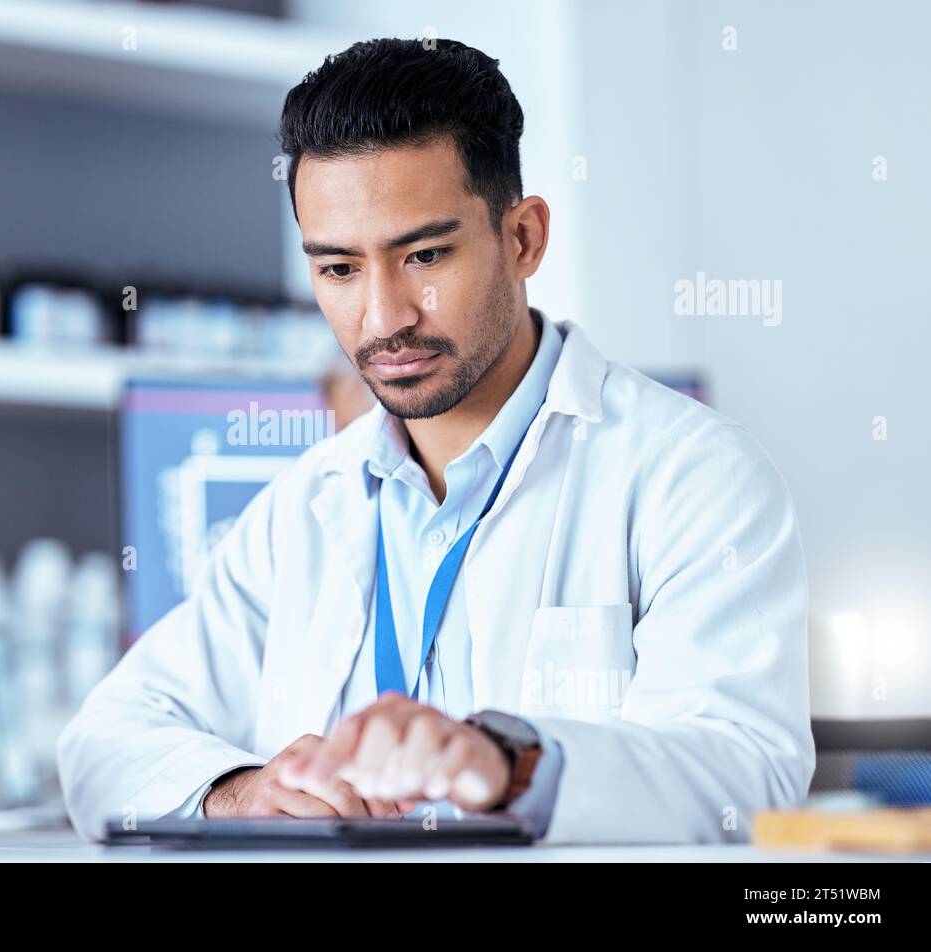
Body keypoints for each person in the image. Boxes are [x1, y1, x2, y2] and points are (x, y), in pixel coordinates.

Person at [58, 37, 814, 844]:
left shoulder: (692, 477)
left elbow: (747, 776)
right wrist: (239, 792)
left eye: (423, 255)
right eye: (339, 270)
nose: (383, 320)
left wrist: (509, 763)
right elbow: (103, 744)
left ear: (523, 238)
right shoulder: (302, 509)